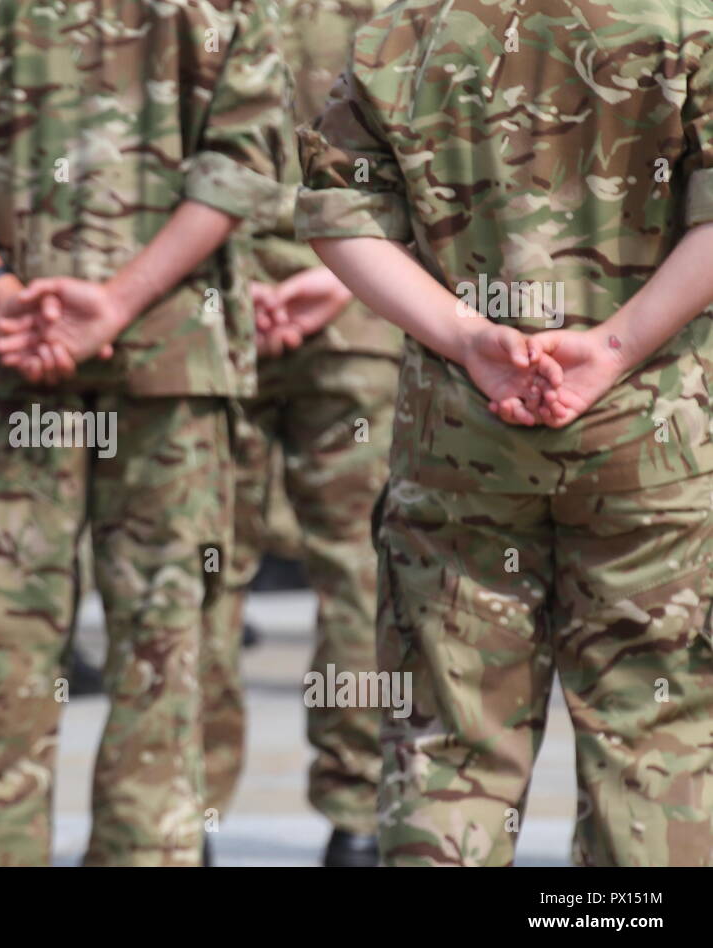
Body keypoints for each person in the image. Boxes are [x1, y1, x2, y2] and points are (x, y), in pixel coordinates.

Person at [298, 0, 713, 865]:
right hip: (653, 442)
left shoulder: (400, 28)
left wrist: (467, 338)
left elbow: (341, 218)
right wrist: (610, 347)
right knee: (654, 744)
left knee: (449, 751)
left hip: (462, 439)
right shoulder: (687, 20)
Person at [0, 0, 288, 866]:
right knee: (163, 654)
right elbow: (243, 160)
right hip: (166, 356)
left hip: (19, 349)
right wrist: (114, 303)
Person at [201, 0, 404, 867]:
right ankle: (357, 817)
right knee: (361, 569)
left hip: (209, 302)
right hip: (364, 307)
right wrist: (350, 282)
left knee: (202, 568)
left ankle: (184, 811)